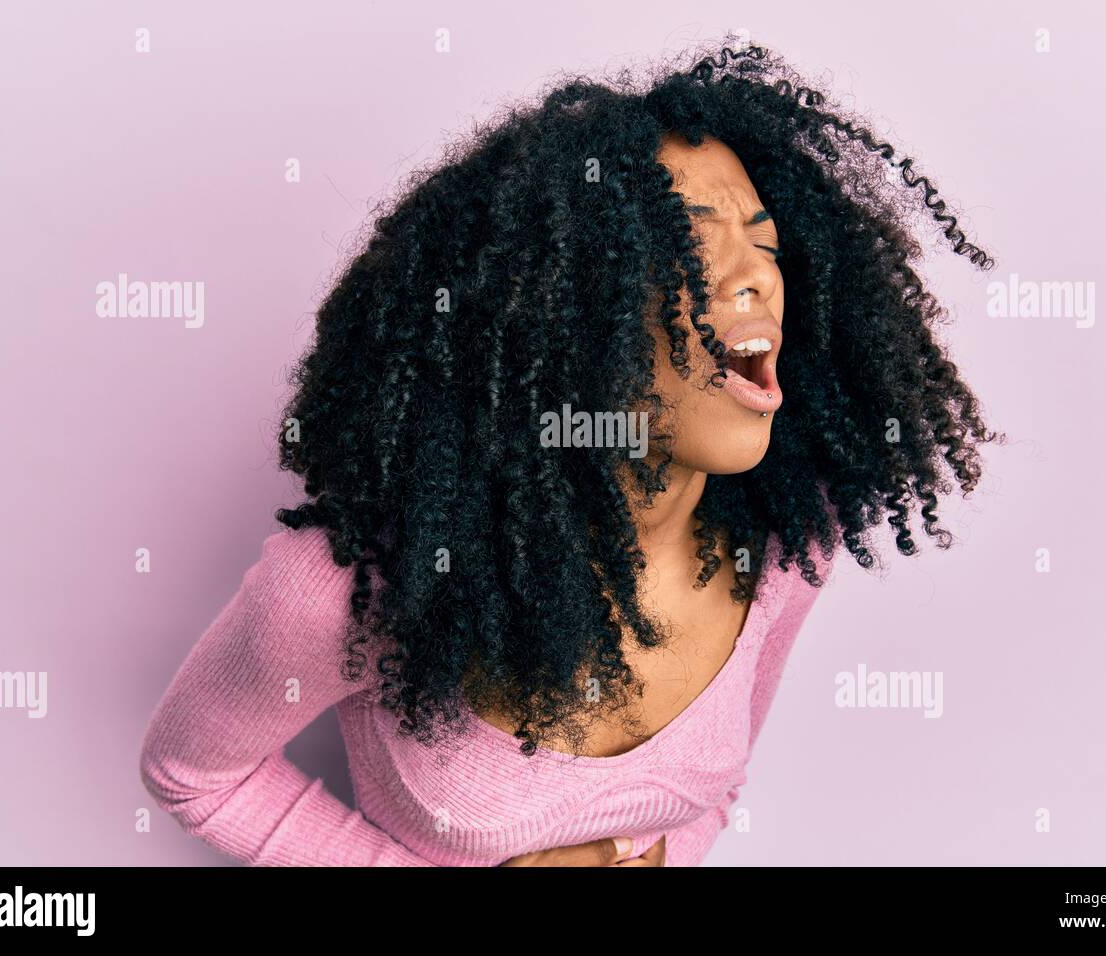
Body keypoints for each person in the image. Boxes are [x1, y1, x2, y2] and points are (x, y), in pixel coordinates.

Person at [139, 42, 998, 866]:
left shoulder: (785, 547)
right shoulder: (350, 590)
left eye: (768, 244)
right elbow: (197, 776)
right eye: (695, 241)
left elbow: (716, 785)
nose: (758, 277)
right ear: (562, 314)